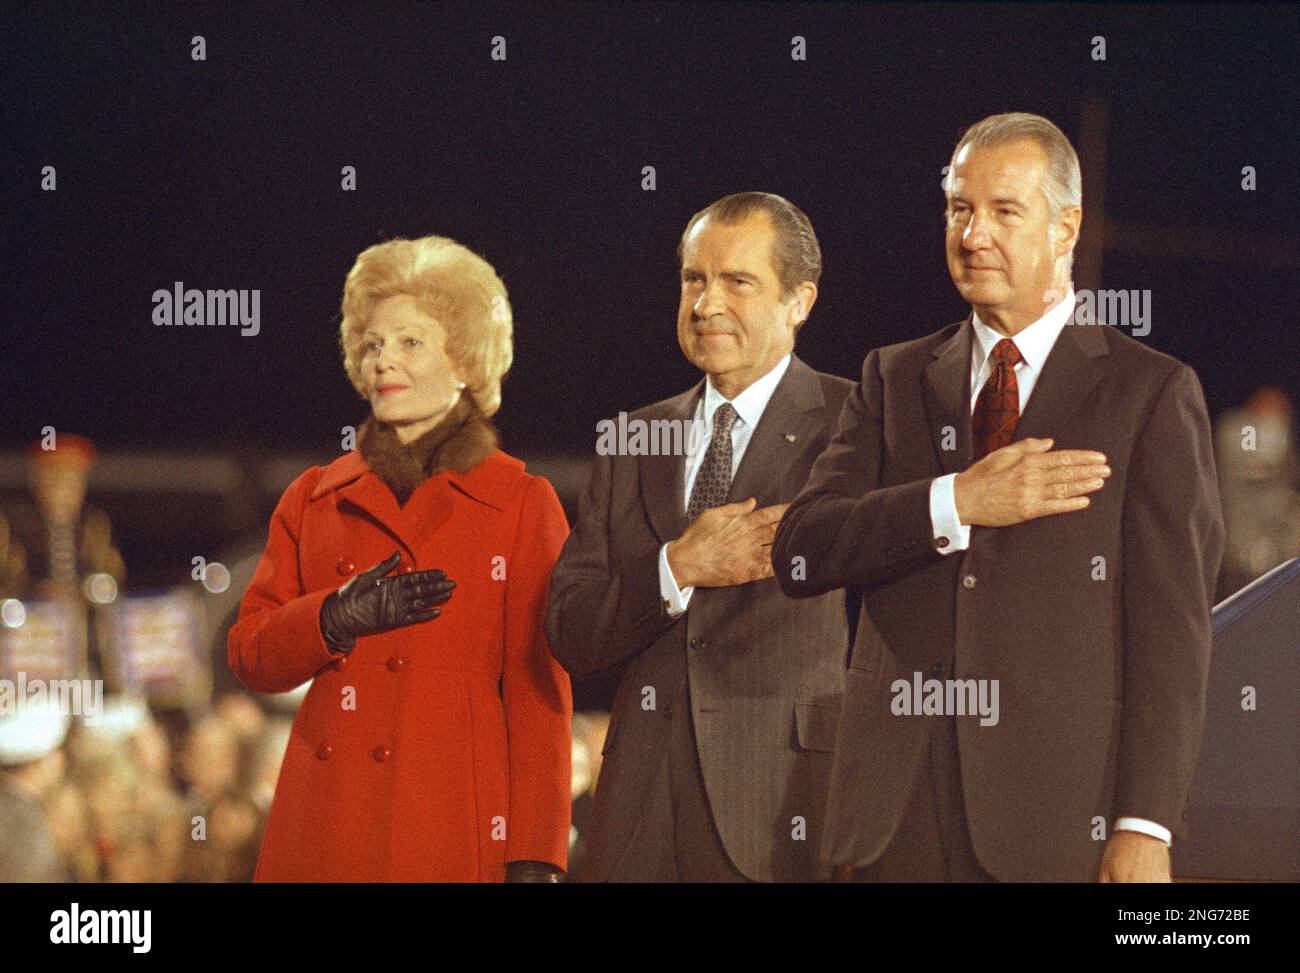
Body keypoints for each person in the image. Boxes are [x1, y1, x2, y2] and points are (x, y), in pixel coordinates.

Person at [773, 113, 1224, 882]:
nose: (973, 234)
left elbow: (1171, 635)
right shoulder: (891, 376)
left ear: (1065, 225)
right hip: (891, 820)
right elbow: (803, 547)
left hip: (1055, 825)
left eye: (1003, 211)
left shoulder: (1151, 394)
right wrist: (954, 500)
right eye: (958, 208)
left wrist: (1145, 822)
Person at [228, 235, 572, 882]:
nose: (384, 359)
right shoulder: (313, 497)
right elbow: (250, 652)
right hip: (325, 820)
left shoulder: (522, 503)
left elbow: (539, 696)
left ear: (467, 361)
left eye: (411, 341)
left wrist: (536, 851)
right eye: (373, 344)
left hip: (449, 820)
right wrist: (330, 617)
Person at [547, 193, 853, 881]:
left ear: (798, 300)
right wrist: (674, 568)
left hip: (786, 801)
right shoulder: (632, 437)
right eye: (693, 278)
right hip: (637, 809)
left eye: (737, 281)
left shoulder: (856, 423)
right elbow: (569, 629)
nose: (705, 303)